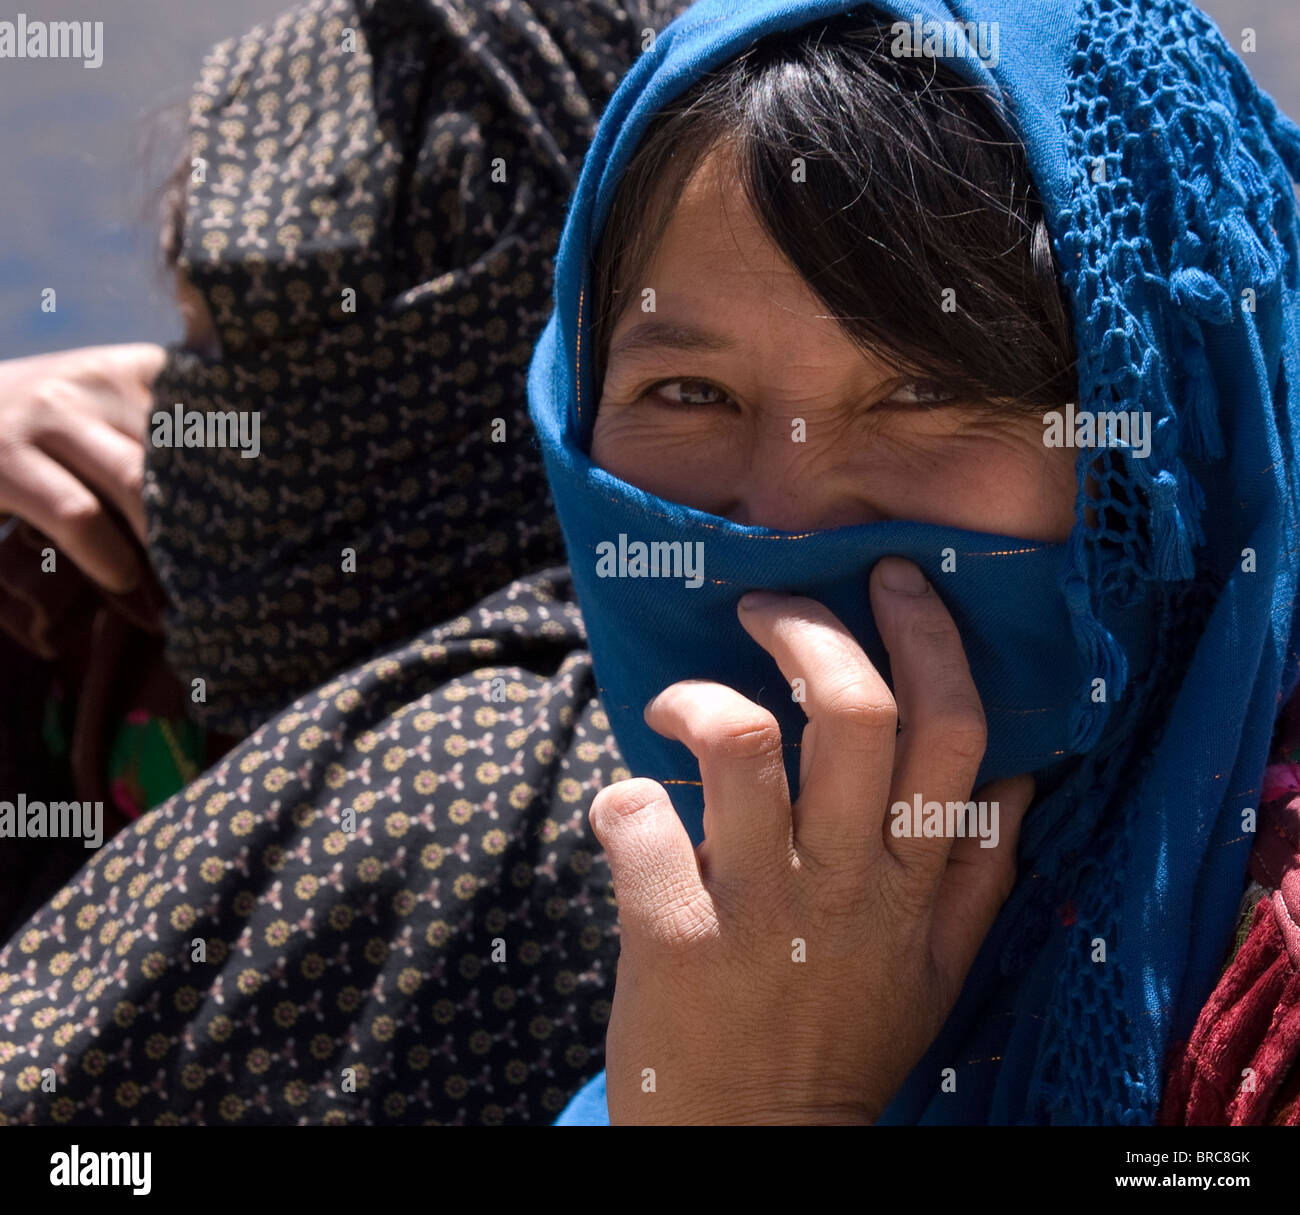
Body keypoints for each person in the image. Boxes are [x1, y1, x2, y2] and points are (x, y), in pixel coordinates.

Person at [4, 0, 1300, 1128]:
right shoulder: (646, 869)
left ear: (1164, 437)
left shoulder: (1265, 1009)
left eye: (923, 393)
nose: (782, 520)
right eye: (688, 389)